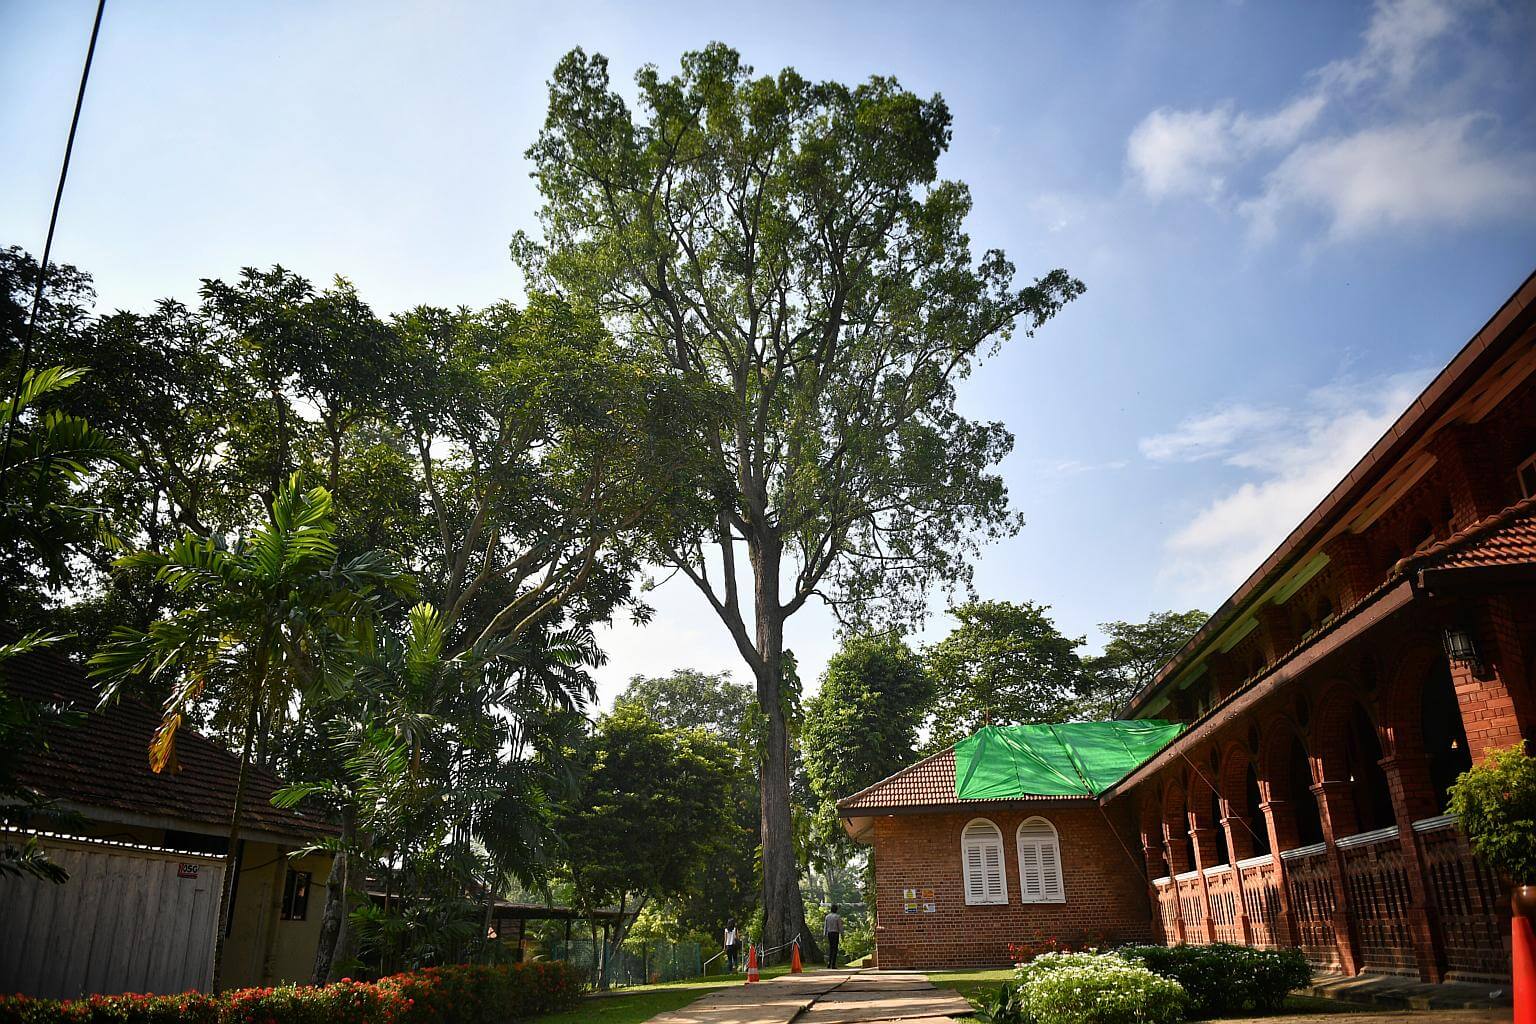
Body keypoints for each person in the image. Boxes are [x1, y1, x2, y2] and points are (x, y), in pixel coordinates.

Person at [823, 904, 843, 968]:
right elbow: (840, 926)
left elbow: (825, 926)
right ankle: (833, 964)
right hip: (835, 933)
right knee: (835, 948)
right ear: (836, 910)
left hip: (829, 933)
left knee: (831, 948)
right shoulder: (837, 917)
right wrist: (842, 934)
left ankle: (829, 963)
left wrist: (824, 934)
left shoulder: (827, 917)